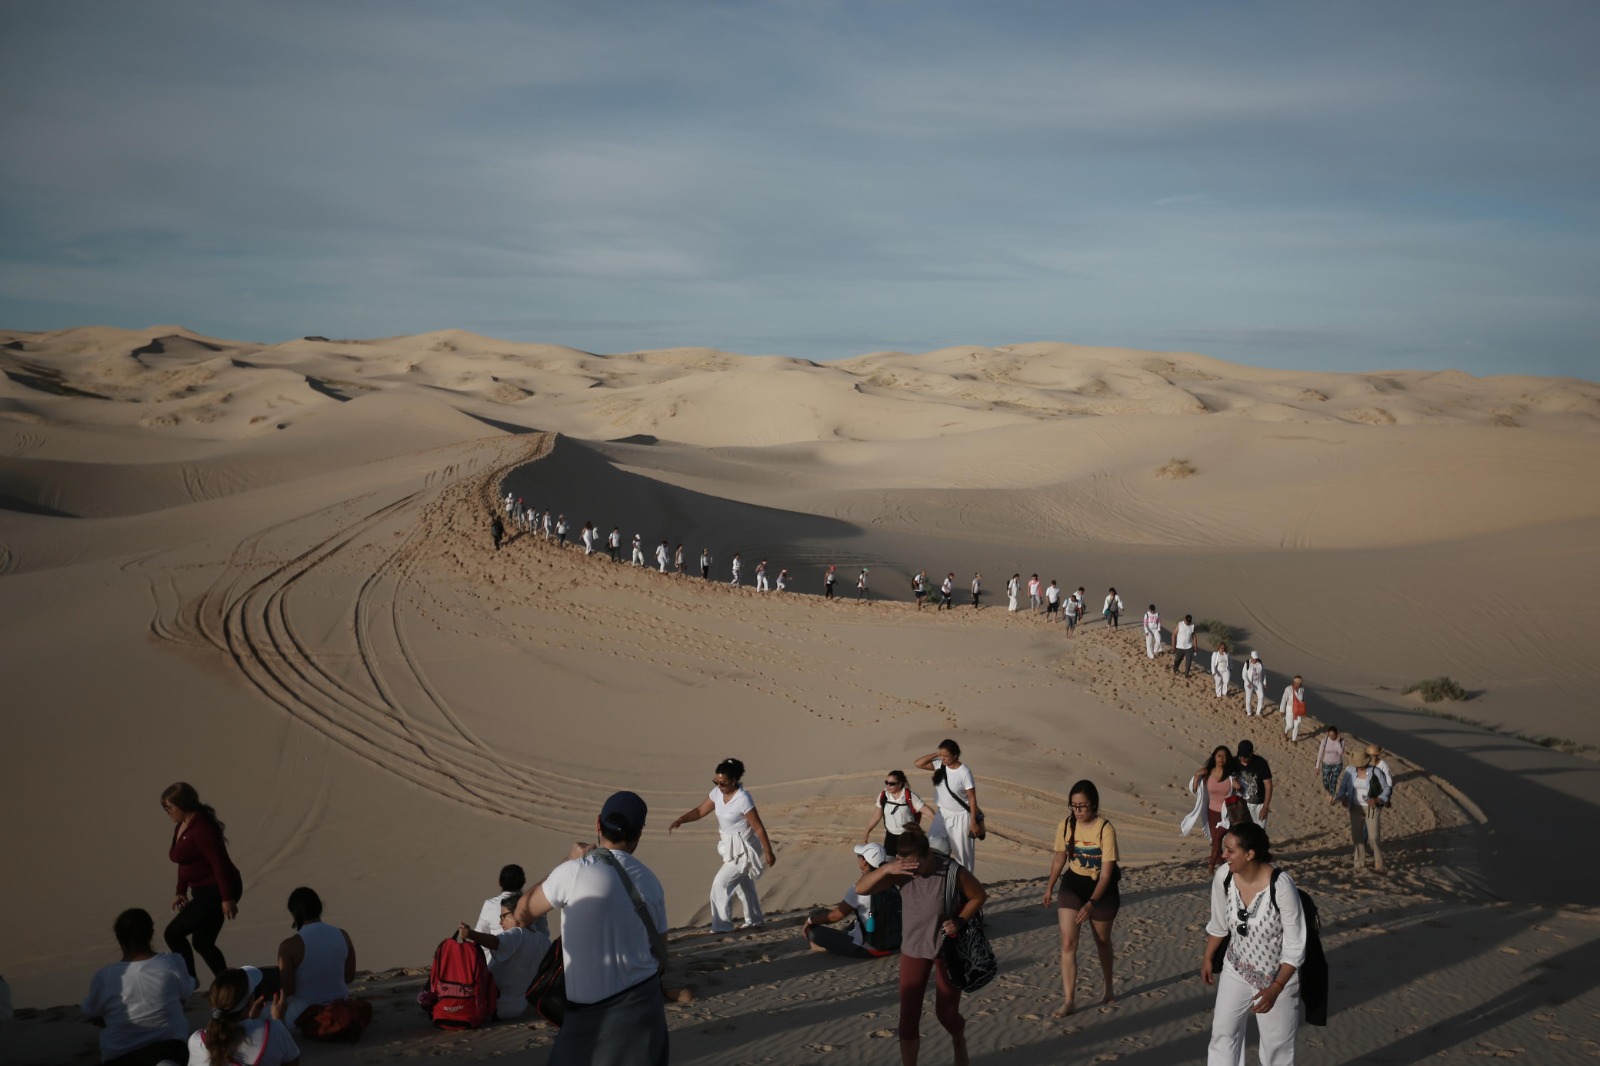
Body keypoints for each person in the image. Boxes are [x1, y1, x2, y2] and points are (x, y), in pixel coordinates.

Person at [512, 792, 668, 1066]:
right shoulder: (652, 882)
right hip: (644, 1011)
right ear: (638, 835)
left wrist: (566, 861)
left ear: (598, 824)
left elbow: (522, 914)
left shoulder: (574, 871)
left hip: (590, 1020)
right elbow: (661, 951)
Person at [854, 826, 985, 1066]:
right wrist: (887, 868)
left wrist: (960, 921)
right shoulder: (901, 871)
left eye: (916, 864)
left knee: (946, 1015)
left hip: (947, 950)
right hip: (914, 950)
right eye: (906, 864)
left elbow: (978, 895)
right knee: (908, 1018)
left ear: (928, 856)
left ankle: (958, 1037)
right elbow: (861, 888)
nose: (912, 870)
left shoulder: (952, 871)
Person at [1201, 823, 1306, 1066]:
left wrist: (1276, 987)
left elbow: (1295, 948)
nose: (1223, 855)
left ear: (1250, 854)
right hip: (1235, 968)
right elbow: (1219, 924)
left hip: (1276, 978)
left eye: (1230, 851)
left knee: (1275, 1050)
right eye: (1223, 849)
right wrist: (1208, 956)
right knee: (1223, 1035)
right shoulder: (1224, 877)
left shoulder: (1281, 887)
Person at [1040, 781, 1119, 1018]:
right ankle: (1069, 1000)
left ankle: (1108, 986)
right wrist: (1050, 886)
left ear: (1094, 805)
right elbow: (1059, 858)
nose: (1077, 811)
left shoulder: (1105, 828)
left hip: (1102, 890)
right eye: (1073, 806)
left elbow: (1106, 874)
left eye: (1082, 806)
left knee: (1102, 941)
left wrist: (1091, 903)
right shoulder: (1066, 825)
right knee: (1067, 943)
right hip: (1073, 884)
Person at [670, 758, 777, 932]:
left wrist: (768, 852)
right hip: (730, 846)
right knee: (744, 886)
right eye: (716, 782)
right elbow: (699, 811)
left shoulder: (743, 799)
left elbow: (758, 827)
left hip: (744, 849)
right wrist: (682, 819)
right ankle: (755, 920)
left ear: (733, 781)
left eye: (723, 783)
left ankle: (722, 927)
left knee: (721, 884)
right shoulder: (717, 793)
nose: (719, 786)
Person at [82, 908, 195, 1066]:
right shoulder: (172, 962)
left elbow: (93, 1014)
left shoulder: (104, 976)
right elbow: (185, 995)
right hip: (169, 1050)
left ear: (119, 939)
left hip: (121, 1055)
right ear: (151, 933)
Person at [162, 783, 242, 982]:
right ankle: (228, 984)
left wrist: (226, 898)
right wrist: (181, 890)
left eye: (170, 808)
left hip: (217, 889)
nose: (168, 812)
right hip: (203, 890)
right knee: (203, 943)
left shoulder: (202, 828)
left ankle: (189, 979)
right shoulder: (182, 826)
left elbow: (219, 863)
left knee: (173, 933)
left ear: (183, 804)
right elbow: (184, 860)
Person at [277, 887, 362, 1038]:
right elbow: (349, 977)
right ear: (319, 907)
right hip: (341, 1006)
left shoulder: (289, 945)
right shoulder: (343, 935)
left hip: (304, 1013)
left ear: (294, 914)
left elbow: (287, 989)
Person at [458, 893, 549, 1021]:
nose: (501, 922)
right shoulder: (544, 941)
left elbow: (496, 942)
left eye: (503, 916)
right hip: (521, 1006)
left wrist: (470, 934)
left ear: (518, 914)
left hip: (496, 1007)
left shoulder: (517, 934)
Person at [186, 967, 300, 1066]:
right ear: (250, 1001)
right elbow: (292, 1062)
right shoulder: (274, 1030)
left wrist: (252, 1020)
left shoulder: (196, 1041)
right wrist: (279, 1020)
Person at [802, 843, 899, 958]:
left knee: (812, 931)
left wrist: (810, 921)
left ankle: (821, 945)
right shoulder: (893, 882)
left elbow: (835, 916)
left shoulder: (859, 888)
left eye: (859, 857)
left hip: (870, 947)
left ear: (864, 861)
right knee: (858, 920)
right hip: (894, 942)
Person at [915, 740, 983, 871]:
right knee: (932, 845)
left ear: (955, 755)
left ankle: (966, 887)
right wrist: (937, 754)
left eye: (945, 756)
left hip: (961, 818)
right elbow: (918, 763)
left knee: (963, 855)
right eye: (941, 755)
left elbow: (972, 798)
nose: (942, 758)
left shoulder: (964, 772)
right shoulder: (940, 765)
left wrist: (973, 822)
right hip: (942, 814)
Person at [1332, 752, 1391, 871]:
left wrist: (1378, 799)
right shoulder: (1350, 771)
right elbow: (1343, 788)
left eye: (1361, 765)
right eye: (1357, 765)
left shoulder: (1376, 772)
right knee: (1357, 836)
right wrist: (1340, 797)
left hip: (1372, 808)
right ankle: (1359, 862)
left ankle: (1378, 860)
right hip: (1355, 807)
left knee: (1373, 837)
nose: (1358, 767)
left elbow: (1386, 788)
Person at [1185, 747, 1240, 873]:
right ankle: (1224, 866)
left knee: (1217, 839)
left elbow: (1242, 791)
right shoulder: (1207, 774)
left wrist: (1238, 785)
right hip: (1211, 812)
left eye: (1224, 756)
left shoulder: (1231, 775)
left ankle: (1211, 865)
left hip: (1227, 814)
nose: (1221, 759)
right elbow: (1194, 790)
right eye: (1219, 756)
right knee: (1216, 840)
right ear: (1214, 757)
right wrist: (1196, 775)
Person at [862, 770, 925, 853]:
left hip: (907, 836)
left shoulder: (909, 796)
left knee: (907, 863)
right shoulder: (884, 796)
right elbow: (876, 816)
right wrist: (867, 832)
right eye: (886, 782)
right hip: (890, 836)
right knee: (889, 862)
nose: (888, 786)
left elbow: (926, 810)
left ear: (900, 784)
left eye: (892, 783)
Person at [473, 864, 529, 957]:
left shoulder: (490, 905)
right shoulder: (534, 906)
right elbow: (544, 935)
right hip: (528, 964)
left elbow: (479, 934)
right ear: (524, 881)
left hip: (494, 966)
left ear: (500, 882)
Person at [1235, 740, 1274, 826]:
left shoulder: (1261, 763)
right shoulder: (1234, 762)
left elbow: (1268, 787)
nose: (1243, 759)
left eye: (1246, 757)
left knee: (1259, 833)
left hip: (1258, 805)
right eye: (1241, 756)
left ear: (1251, 753)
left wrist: (1265, 807)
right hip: (1240, 804)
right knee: (1242, 833)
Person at [1313, 726, 1346, 797]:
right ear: (1328, 734)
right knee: (1325, 780)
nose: (1331, 737)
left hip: (1337, 764)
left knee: (1333, 781)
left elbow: (1341, 752)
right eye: (1330, 735)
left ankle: (1331, 796)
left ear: (1337, 734)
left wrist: (1337, 742)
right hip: (1326, 763)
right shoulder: (1324, 741)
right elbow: (1320, 753)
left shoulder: (1341, 741)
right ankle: (1328, 790)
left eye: (1333, 735)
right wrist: (1317, 765)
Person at [1280, 675, 1308, 742]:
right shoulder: (1288, 689)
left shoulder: (1302, 689)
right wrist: (1282, 710)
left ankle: (1293, 740)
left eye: (1300, 683)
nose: (1299, 684)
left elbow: (1303, 700)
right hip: (1290, 709)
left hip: (1298, 709)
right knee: (1290, 725)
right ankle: (1285, 732)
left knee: (1297, 725)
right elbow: (1284, 699)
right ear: (1294, 682)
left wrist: (1304, 711)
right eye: (1298, 682)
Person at [1242, 651, 1266, 716]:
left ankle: (1258, 712)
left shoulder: (1260, 664)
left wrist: (1264, 682)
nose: (1255, 660)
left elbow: (1263, 673)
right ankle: (1249, 712)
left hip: (1258, 683)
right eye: (1254, 658)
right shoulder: (1247, 663)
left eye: (1256, 658)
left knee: (1261, 696)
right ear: (1251, 657)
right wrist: (1248, 683)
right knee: (1249, 698)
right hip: (1249, 683)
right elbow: (1244, 675)